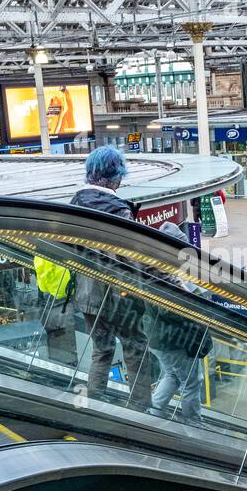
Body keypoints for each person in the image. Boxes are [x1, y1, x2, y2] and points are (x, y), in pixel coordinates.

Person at [70, 145, 153, 409]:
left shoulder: (75, 205)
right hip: (119, 297)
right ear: (115, 176)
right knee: (135, 348)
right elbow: (130, 259)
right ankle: (141, 409)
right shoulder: (118, 210)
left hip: (86, 295)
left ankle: (94, 401)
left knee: (101, 349)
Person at [149, 221, 209, 424]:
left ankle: (154, 413)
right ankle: (194, 423)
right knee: (192, 382)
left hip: (159, 338)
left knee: (172, 376)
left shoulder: (153, 264)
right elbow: (169, 308)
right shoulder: (165, 271)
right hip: (174, 339)